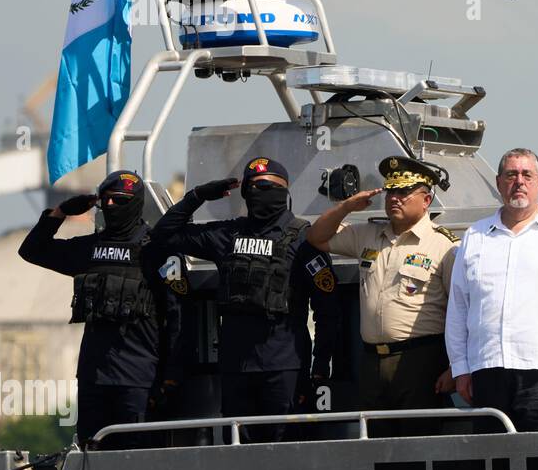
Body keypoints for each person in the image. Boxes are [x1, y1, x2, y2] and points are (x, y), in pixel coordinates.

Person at [151, 156, 341, 443]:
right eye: (250, 186)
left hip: (284, 368)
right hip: (235, 368)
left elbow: (328, 311)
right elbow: (163, 235)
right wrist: (198, 196)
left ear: (283, 190)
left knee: (286, 450)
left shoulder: (305, 239)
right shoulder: (228, 234)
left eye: (264, 185)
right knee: (239, 455)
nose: (255, 191)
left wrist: (319, 367)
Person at [18, 170, 188, 447]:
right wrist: (59, 213)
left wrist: (171, 378)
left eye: (118, 200)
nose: (110, 206)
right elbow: (32, 251)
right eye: (105, 200)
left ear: (135, 204)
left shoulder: (156, 251)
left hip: (140, 381)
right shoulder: (90, 249)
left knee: (137, 461)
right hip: (93, 379)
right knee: (92, 461)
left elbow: (178, 319)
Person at [445, 148, 538, 432]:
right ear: (499, 182)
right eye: (511, 174)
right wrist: (461, 368)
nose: (519, 181)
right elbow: (458, 308)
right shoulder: (474, 237)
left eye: (527, 174)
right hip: (486, 372)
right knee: (493, 466)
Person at [307, 156, 459, 436]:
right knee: (378, 444)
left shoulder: (444, 245)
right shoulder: (367, 235)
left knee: (419, 442)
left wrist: (455, 367)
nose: (394, 199)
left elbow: (461, 310)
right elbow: (317, 237)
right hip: (370, 362)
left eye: (404, 192)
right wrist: (347, 207)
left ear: (426, 200)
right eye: (391, 191)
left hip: (420, 360)